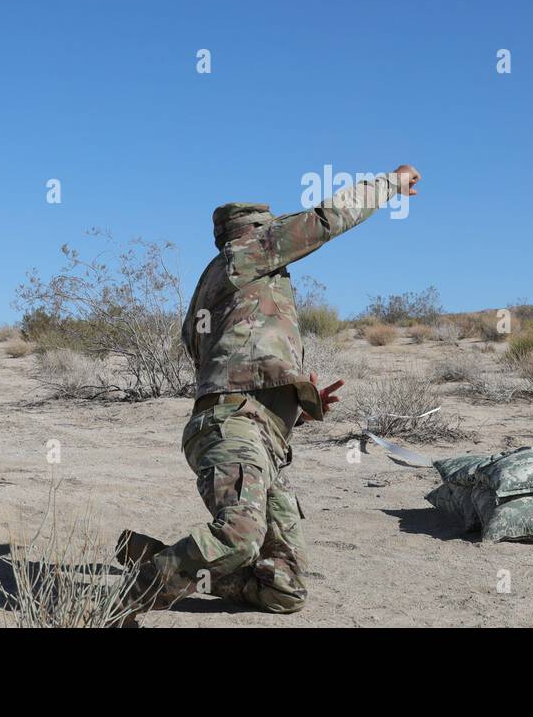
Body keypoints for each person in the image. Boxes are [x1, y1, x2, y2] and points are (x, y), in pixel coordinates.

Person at [118, 164, 421, 615]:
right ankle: (131, 594)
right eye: (273, 231)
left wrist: (297, 399)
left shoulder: (229, 290)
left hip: (264, 440)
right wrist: (389, 184)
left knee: (285, 590)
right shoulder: (245, 255)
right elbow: (326, 219)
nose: (282, 242)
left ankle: (161, 560)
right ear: (253, 234)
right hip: (233, 429)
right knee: (239, 536)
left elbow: (232, 363)